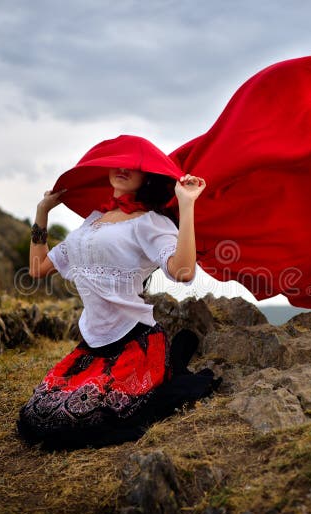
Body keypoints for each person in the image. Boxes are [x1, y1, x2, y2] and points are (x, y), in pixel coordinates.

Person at [17, 142, 219, 450]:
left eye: (133, 166)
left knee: (85, 419)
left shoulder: (149, 222)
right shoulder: (91, 223)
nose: (123, 168)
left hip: (135, 343)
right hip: (91, 346)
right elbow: (38, 267)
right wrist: (42, 212)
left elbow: (183, 271)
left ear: (147, 176)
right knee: (39, 415)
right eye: (117, 162)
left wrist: (187, 204)